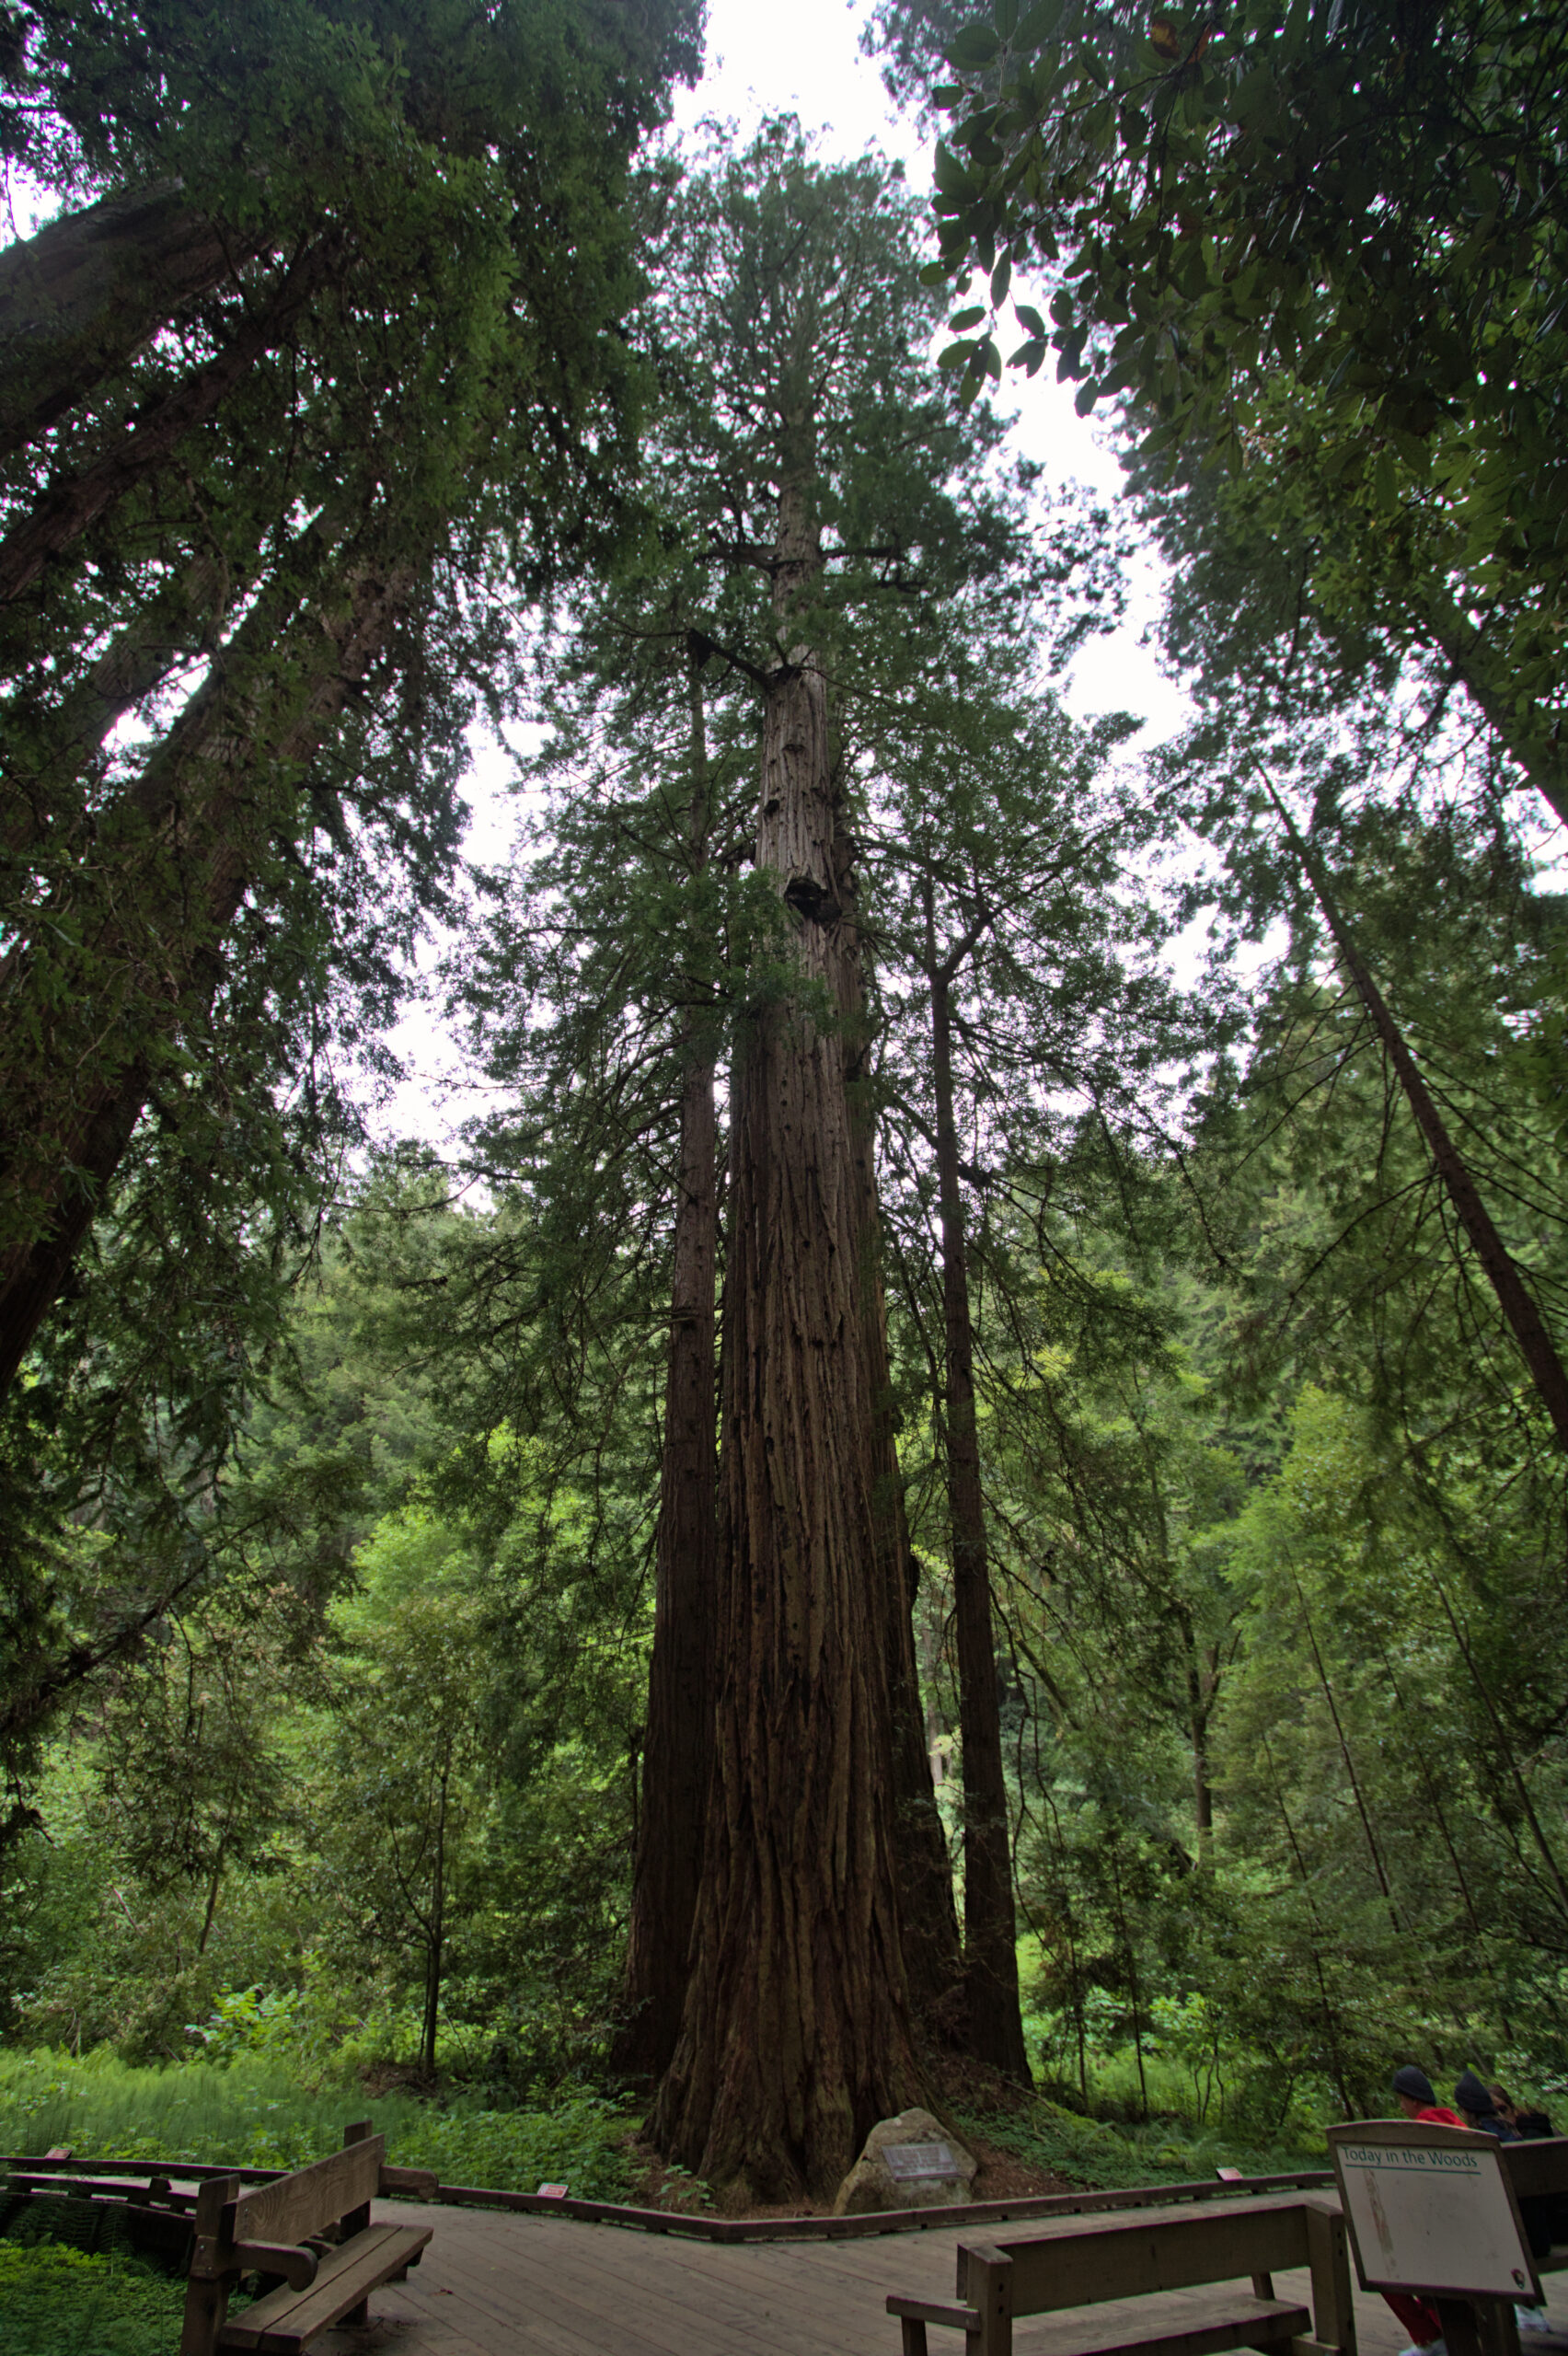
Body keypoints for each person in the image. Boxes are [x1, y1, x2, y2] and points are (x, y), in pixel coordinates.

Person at [1387, 2067, 1465, 2356]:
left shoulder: (1420, 2129)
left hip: (1441, 2237)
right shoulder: (1458, 2123)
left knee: (1384, 2266)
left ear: (1414, 2100)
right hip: (1471, 2230)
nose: (1401, 2107)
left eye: (1402, 2100)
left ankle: (1432, 2338)